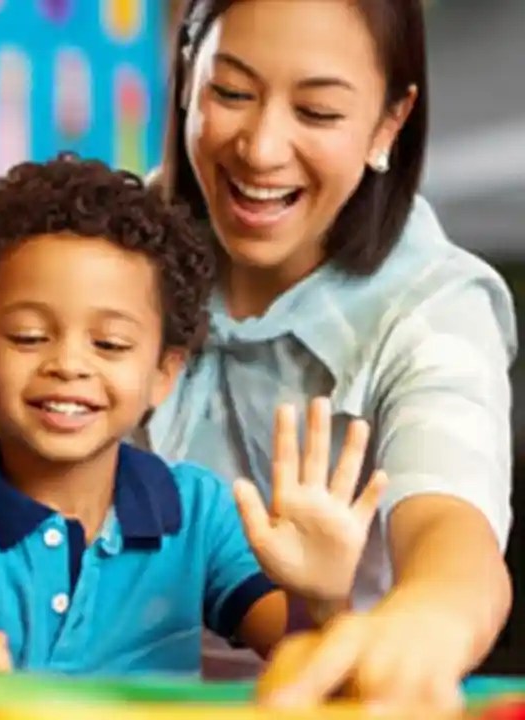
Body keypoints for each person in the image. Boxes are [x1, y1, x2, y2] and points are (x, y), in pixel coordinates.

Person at [0, 155, 389, 678]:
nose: (68, 365)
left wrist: (323, 598)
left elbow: (304, 656)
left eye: (111, 345)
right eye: (28, 336)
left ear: (163, 374)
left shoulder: (197, 513)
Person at [151, 0, 516, 709]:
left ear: (389, 122)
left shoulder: (432, 309)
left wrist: (427, 620)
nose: (260, 148)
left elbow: (453, 527)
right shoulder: (107, 246)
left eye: (316, 113)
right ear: (187, 77)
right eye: (231, 92)